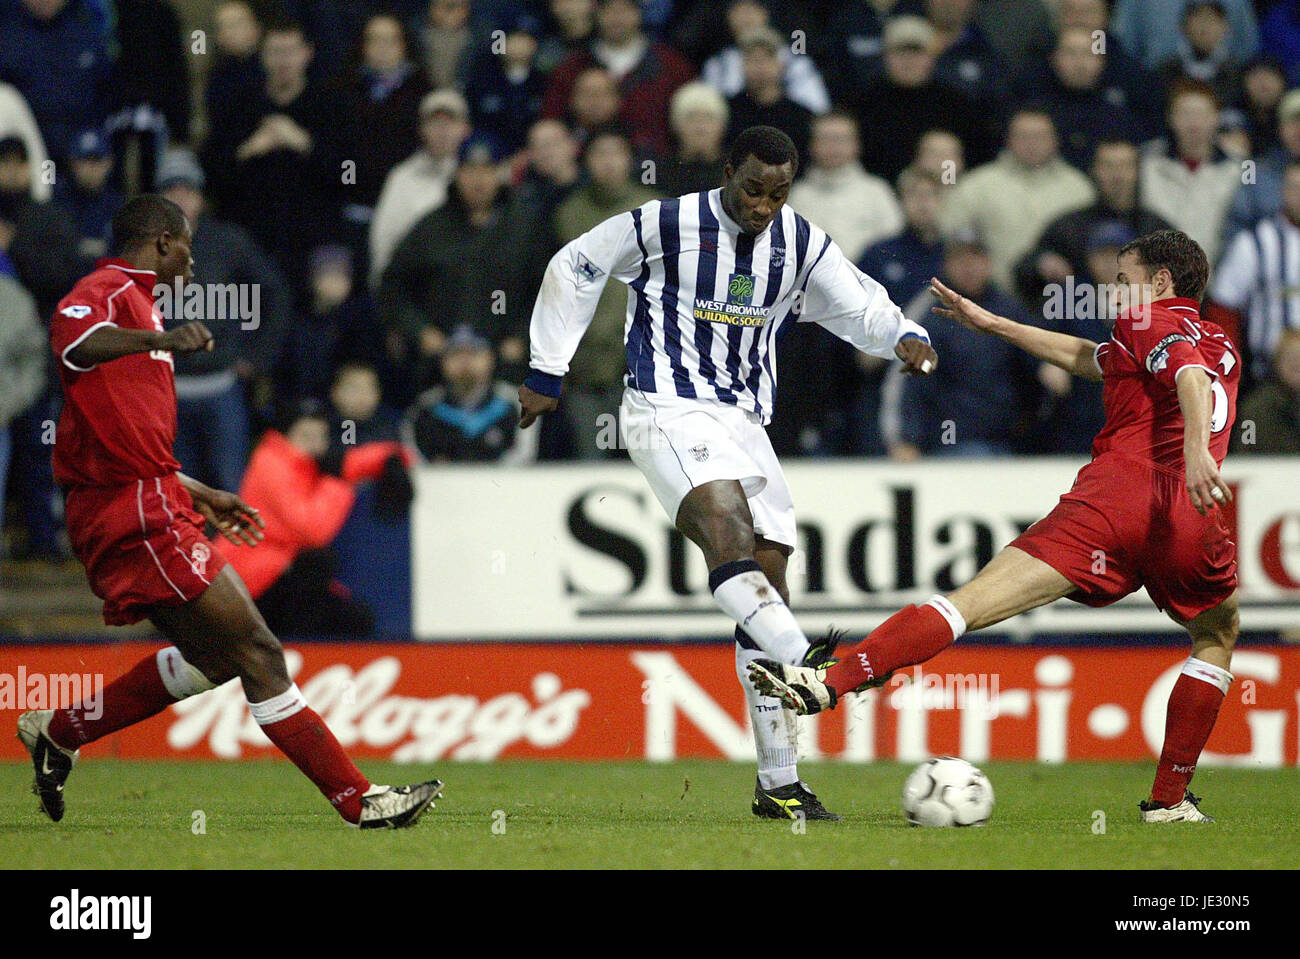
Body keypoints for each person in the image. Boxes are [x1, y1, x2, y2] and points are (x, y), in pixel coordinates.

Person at [751, 229, 1243, 824]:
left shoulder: (1147, 321)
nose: (1111, 291)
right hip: (1191, 516)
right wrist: (996, 325)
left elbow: (1185, 378)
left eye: (1122, 278)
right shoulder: (1217, 339)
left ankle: (836, 680)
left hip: (1118, 499)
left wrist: (1193, 450)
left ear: (1160, 283)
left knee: (972, 603)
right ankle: (1168, 800)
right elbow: (1093, 361)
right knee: (1216, 633)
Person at [518, 126, 938, 820]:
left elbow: (852, 297)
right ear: (726, 173)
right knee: (728, 531)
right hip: (665, 406)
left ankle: (779, 784)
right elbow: (576, 264)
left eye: (778, 192)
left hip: (746, 422)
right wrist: (546, 366)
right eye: (752, 189)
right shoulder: (666, 221)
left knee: (765, 577)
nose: (764, 205)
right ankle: (809, 656)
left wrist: (901, 334)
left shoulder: (799, 240)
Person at [17, 194, 441, 829]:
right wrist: (161, 337)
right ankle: (359, 800)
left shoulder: (140, 304)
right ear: (162, 242)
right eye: (186, 241)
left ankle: (62, 729)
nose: (193, 254)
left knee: (218, 658)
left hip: (150, 499)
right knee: (259, 652)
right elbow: (73, 338)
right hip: (130, 515)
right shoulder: (107, 288)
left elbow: (126, 444)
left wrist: (201, 491)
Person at [1230, 328, 1300, 453]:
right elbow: (1243, 454)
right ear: (1277, 361)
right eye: (1291, 357)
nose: (1296, 363)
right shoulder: (1254, 409)